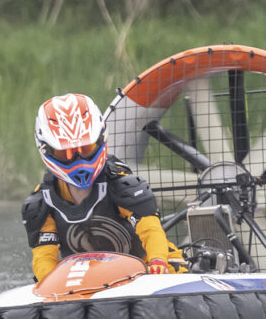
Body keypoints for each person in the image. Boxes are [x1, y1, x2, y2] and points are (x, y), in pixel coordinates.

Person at [22, 93, 172, 282]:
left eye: (85, 149)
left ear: (100, 139)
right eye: (65, 153)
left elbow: (150, 229)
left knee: (167, 266)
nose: (78, 161)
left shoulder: (120, 183)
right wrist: (50, 284)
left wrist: (158, 262)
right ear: (46, 149)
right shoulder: (43, 202)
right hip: (88, 282)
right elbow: (44, 258)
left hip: (150, 271)